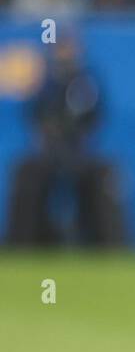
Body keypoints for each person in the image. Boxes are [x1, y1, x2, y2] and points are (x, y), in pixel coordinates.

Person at [6, 36, 127, 248]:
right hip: (49, 154)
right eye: (60, 49)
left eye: (68, 48)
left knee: (104, 174)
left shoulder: (85, 82)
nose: (65, 55)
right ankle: (23, 244)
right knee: (27, 173)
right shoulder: (44, 84)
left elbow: (92, 119)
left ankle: (108, 244)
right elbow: (34, 117)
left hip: (79, 153)